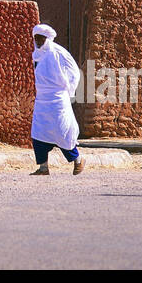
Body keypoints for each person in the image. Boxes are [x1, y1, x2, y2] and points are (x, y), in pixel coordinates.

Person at [29, 23, 86, 175]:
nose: (38, 41)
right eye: (36, 38)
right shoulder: (37, 54)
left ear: (47, 38)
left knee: (62, 132)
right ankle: (43, 167)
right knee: (38, 132)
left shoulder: (58, 52)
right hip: (42, 99)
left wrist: (68, 90)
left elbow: (74, 71)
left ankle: (78, 161)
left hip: (58, 99)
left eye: (41, 38)